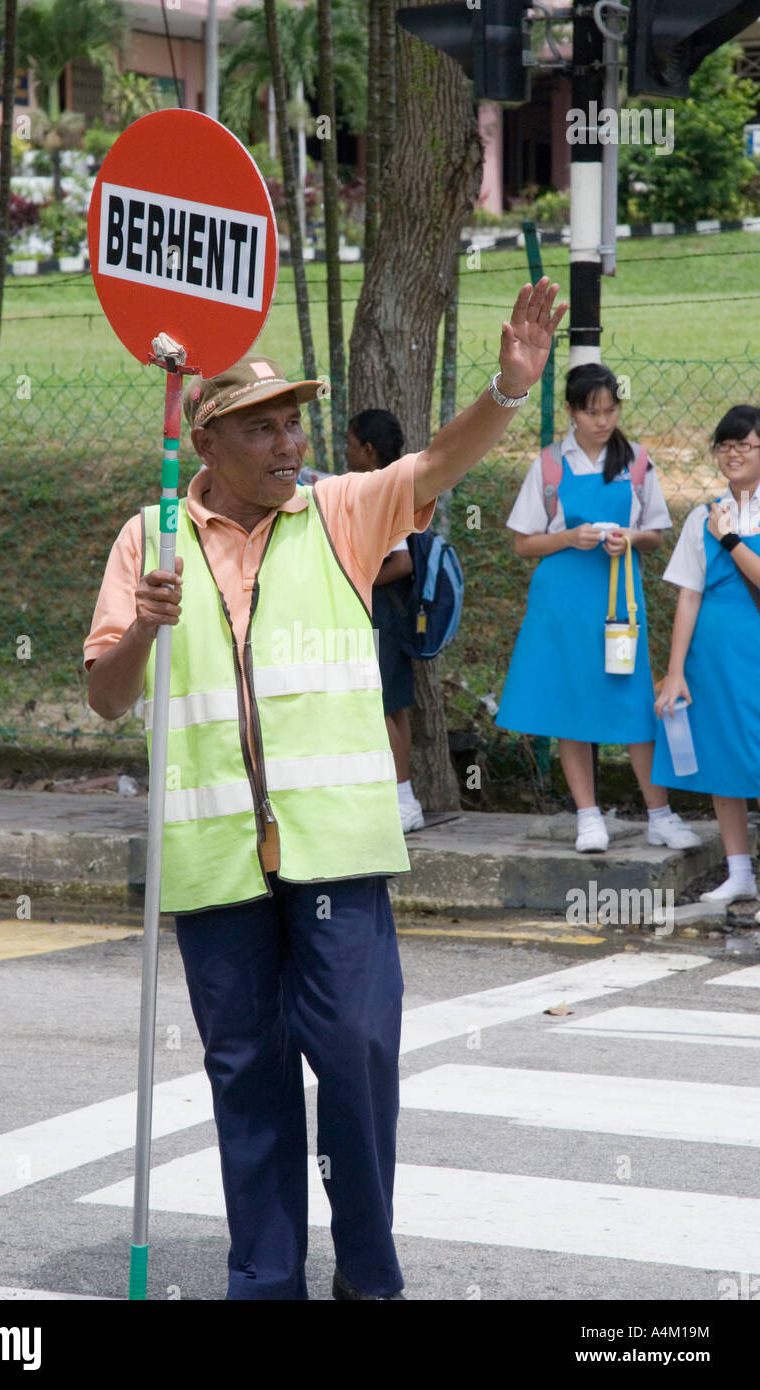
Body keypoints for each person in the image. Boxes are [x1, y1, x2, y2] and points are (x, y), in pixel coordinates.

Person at [84, 277, 567, 1301]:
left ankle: (368, 1275)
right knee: (247, 1077)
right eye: (264, 428)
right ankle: (265, 1279)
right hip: (218, 864)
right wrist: (144, 627)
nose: (292, 443)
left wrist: (509, 389)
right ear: (207, 442)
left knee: (353, 1051)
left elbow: (436, 461)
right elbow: (106, 699)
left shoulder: (342, 514)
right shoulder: (151, 535)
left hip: (335, 852)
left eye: (296, 421)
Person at [495, 362, 701, 855]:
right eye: (592, 412)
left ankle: (659, 815)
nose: (603, 421)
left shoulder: (637, 462)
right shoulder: (548, 465)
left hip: (618, 598)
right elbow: (523, 545)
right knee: (571, 703)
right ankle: (588, 817)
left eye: (611, 410)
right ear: (571, 412)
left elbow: (654, 535)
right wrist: (569, 537)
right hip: (562, 604)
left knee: (631, 699)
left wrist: (625, 536)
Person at [653, 404, 760, 915]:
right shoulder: (702, 515)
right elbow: (689, 595)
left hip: (753, 660)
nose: (733, 453)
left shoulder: (721, 524)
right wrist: (675, 672)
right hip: (711, 664)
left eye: (745, 444)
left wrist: (730, 538)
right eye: (725, 445)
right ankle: (739, 872)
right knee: (722, 760)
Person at [346, 408, 424, 833]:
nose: (345, 451)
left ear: (369, 450)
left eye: (350, 443)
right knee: (393, 707)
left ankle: (403, 799)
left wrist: (355, 579)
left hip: (383, 616)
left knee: (383, 707)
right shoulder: (390, 486)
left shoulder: (382, 491)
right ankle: (399, 796)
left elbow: (401, 561)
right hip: (388, 614)